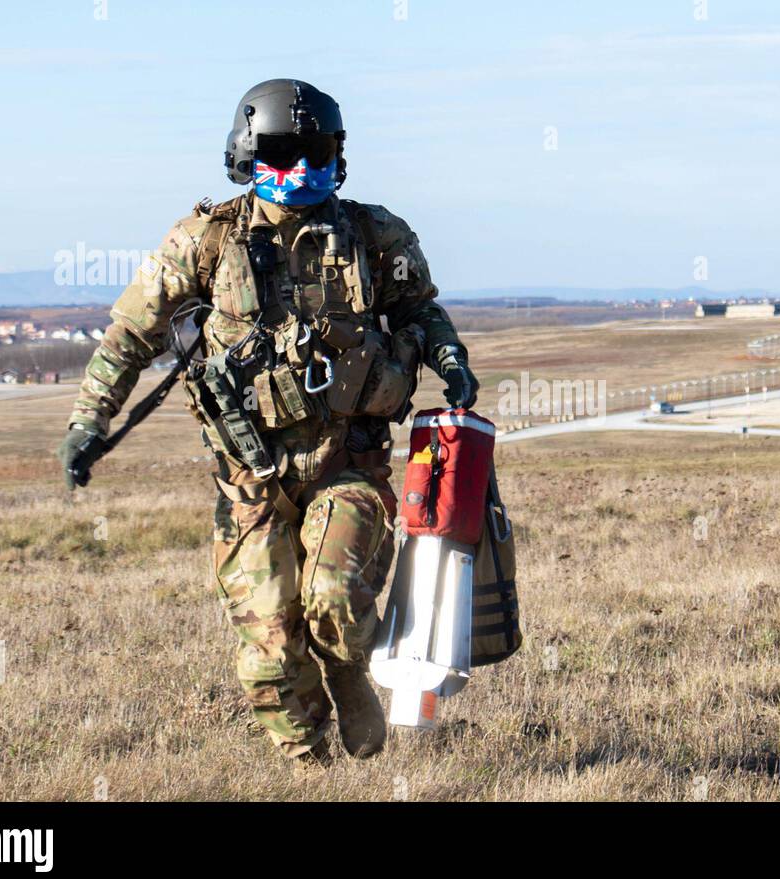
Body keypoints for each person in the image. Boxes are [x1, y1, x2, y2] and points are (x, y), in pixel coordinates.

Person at [58, 78, 478, 765]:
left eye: (315, 153)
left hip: (348, 462)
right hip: (248, 480)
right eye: (282, 154)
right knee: (269, 655)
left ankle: (347, 668)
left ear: (337, 157)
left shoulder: (376, 235)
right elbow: (129, 338)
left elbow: (418, 311)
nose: (301, 170)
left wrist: (450, 359)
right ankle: (308, 771)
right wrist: (88, 424)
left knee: (336, 599)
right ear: (246, 155)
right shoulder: (204, 240)